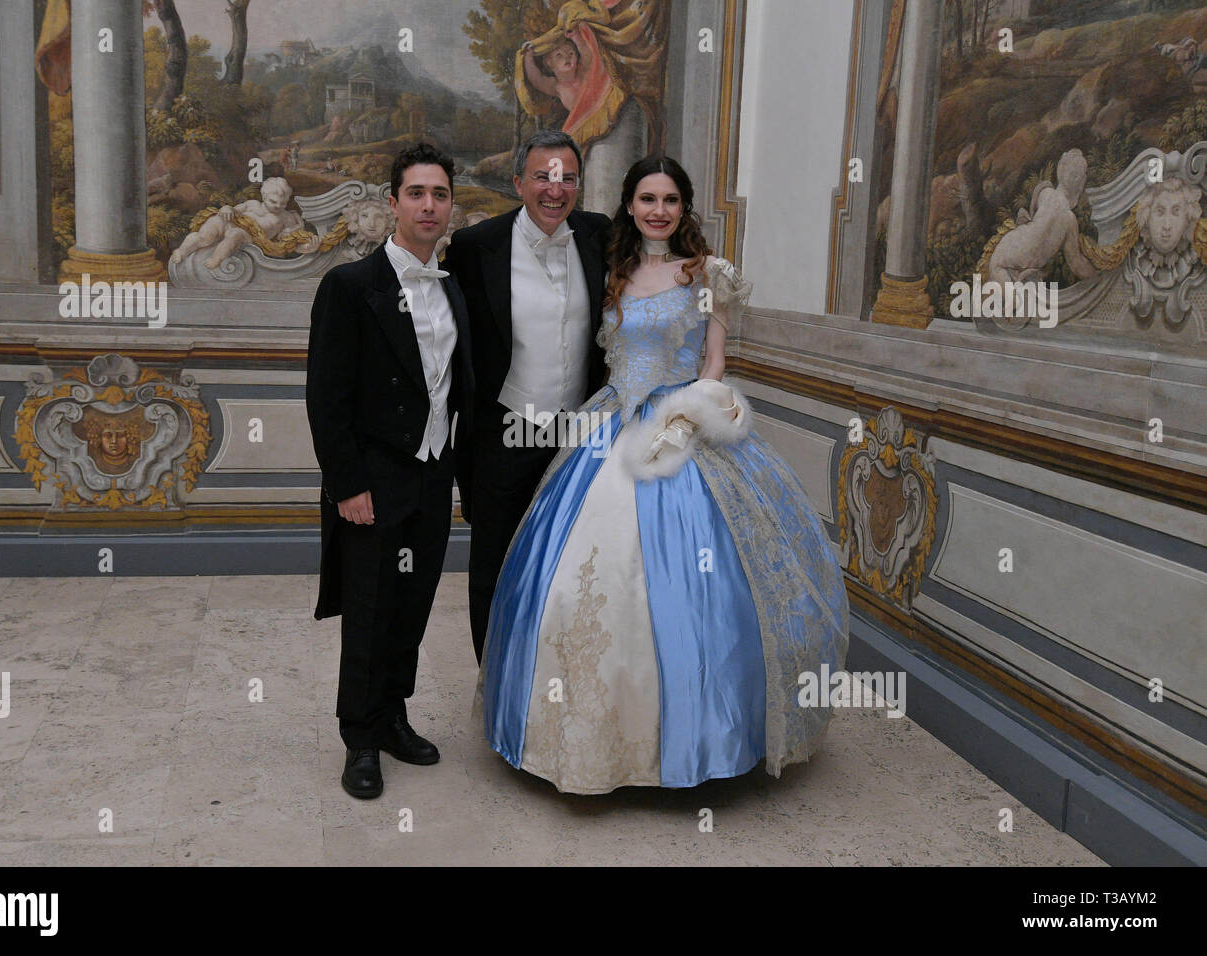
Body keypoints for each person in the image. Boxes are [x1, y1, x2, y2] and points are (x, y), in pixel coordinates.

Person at [478, 156, 851, 794]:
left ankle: (704, 738)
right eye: (647, 198)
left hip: (680, 427)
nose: (658, 210)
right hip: (606, 427)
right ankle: (582, 738)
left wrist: (680, 423)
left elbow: (714, 363)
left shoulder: (707, 273)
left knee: (702, 586)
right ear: (628, 205)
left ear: (685, 208)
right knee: (576, 582)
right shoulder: (614, 271)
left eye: (670, 200)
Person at [306, 142, 474, 800]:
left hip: (432, 477)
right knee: (370, 611)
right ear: (393, 202)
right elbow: (327, 398)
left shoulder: (453, 287)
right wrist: (347, 486)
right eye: (416, 193)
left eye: (439, 194)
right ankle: (360, 738)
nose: (429, 205)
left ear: (450, 205)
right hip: (373, 482)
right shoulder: (350, 287)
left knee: (412, 605)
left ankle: (395, 715)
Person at [443, 130, 612, 664]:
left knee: (569, 565)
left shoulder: (600, 236)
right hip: (503, 434)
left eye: (566, 178)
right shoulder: (475, 248)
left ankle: (548, 688)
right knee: (494, 568)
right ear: (518, 182)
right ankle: (494, 687)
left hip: (579, 439)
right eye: (542, 176)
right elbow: (452, 346)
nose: (554, 189)